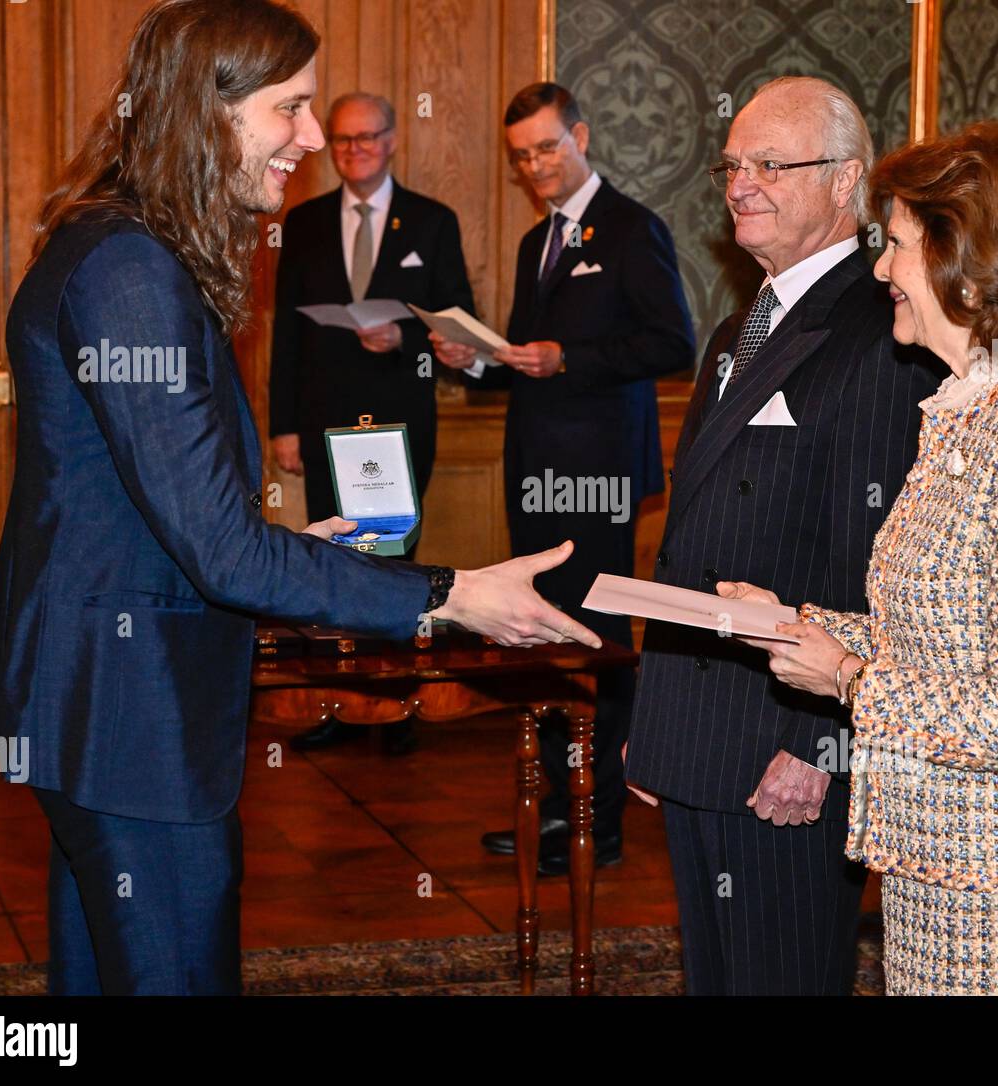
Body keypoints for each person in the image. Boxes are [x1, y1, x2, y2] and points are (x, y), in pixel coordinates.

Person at [0, 0, 598, 997]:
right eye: (289, 110)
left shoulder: (118, 244)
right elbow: (216, 552)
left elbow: (161, 512)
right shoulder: (131, 270)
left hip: (99, 701)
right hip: (131, 716)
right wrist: (451, 590)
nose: (310, 140)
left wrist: (302, 549)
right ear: (204, 112)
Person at [737, 121, 998, 994]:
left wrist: (845, 677)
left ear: (966, 258)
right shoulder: (966, 411)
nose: (881, 270)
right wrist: (798, 624)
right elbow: (937, 639)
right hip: (938, 865)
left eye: (902, 246)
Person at [622, 77, 941, 995]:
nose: (740, 184)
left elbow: (874, 560)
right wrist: (661, 722)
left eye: (770, 164)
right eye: (733, 165)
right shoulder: (734, 331)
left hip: (784, 743)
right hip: (702, 728)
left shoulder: (885, 333)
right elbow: (690, 540)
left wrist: (815, 744)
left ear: (846, 182)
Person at [434, 82, 695, 876]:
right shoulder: (534, 242)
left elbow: (672, 344)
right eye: (522, 155)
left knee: (597, 642)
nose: (537, 164)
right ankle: (558, 806)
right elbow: (526, 365)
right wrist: (475, 360)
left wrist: (570, 357)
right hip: (534, 473)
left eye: (548, 146)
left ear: (580, 135)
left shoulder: (631, 227)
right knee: (541, 635)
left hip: (600, 481)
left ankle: (600, 819)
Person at [270, 91, 475, 756]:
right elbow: (285, 337)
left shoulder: (431, 221)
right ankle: (339, 702)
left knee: (392, 559)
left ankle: (396, 704)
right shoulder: (300, 223)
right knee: (335, 559)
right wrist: (284, 427)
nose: (354, 151)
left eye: (366, 138)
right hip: (324, 420)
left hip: (399, 419)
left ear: (391, 140)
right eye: (342, 141)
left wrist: (407, 341)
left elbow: (457, 328)